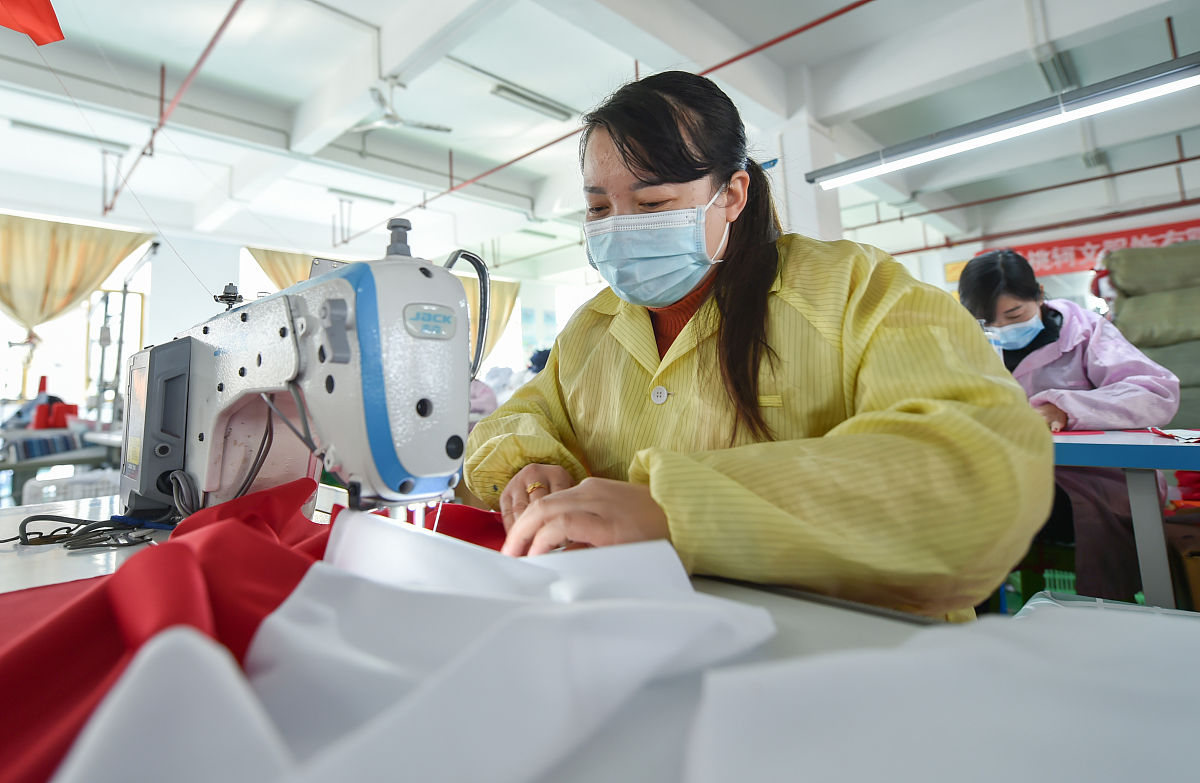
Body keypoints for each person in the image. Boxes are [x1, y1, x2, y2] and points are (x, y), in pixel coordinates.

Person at [465, 71, 1053, 621]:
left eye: (652, 205)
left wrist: (680, 510)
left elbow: (977, 473)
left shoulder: (852, 291)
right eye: (598, 208)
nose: (619, 228)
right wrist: (531, 465)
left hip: (858, 659)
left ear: (733, 194)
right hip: (647, 644)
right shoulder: (591, 330)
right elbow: (518, 418)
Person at [957, 249, 1180, 600]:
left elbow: (1154, 391)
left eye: (1014, 313)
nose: (1003, 329)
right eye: (988, 321)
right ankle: (971, 622)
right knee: (951, 510)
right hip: (1012, 472)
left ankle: (1106, 619)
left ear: (1040, 295)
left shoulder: (1086, 333)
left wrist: (1066, 409)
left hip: (1094, 478)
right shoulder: (972, 347)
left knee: (1013, 512)